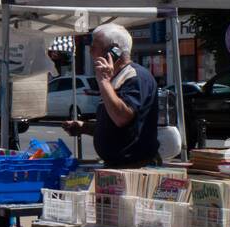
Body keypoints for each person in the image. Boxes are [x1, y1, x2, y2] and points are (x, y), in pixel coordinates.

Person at [64, 23, 159, 168]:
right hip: (116, 164)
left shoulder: (135, 76)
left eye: (95, 47)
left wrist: (104, 81)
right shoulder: (114, 79)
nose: (91, 52)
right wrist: (84, 127)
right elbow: (114, 125)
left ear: (114, 51)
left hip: (133, 165)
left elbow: (122, 118)